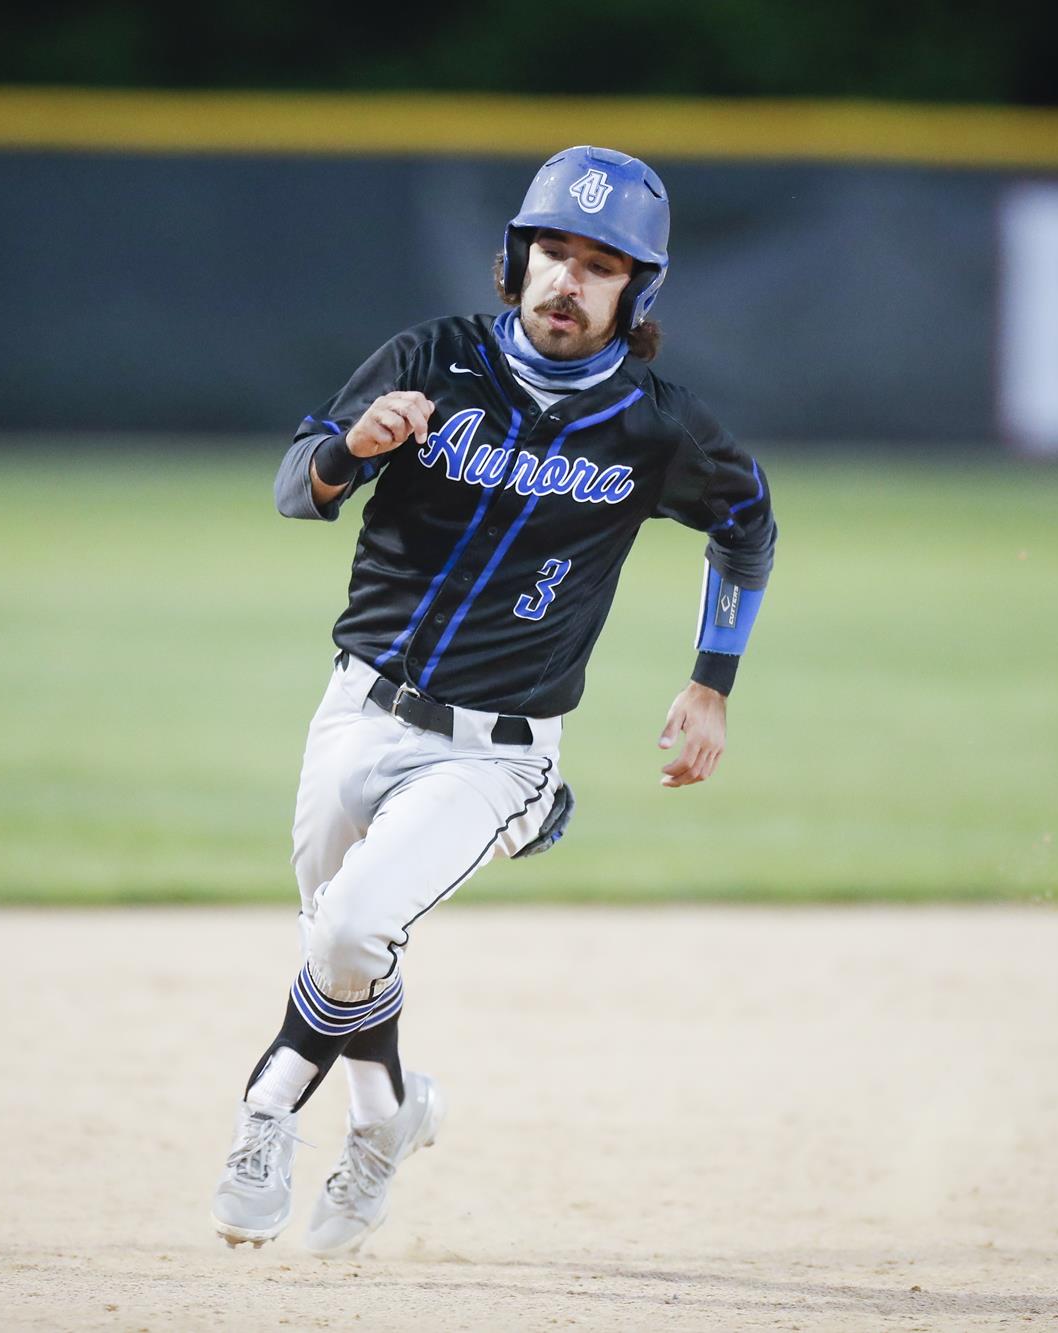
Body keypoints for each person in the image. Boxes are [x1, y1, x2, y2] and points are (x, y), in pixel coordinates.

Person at [211, 146, 776, 1256]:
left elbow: (745, 520)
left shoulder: (653, 426)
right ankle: (386, 1118)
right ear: (514, 260)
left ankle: (266, 1106)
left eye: (601, 265)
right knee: (342, 948)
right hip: (356, 712)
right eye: (554, 253)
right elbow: (295, 486)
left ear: (635, 292)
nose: (569, 281)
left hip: (495, 753)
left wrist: (711, 684)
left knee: (356, 924)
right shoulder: (433, 359)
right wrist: (346, 450)